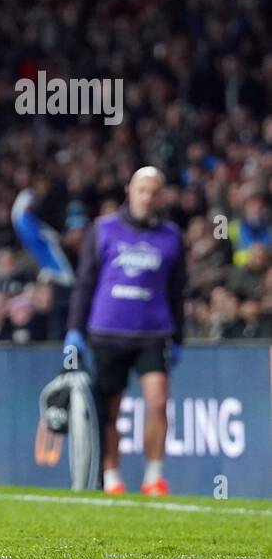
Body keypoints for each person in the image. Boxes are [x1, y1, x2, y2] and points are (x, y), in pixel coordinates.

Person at [65, 167, 185, 496]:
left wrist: (179, 337)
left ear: (161, 196)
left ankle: (154, 477)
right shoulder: (104, 230)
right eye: (142, 190)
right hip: (107, 331)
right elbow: (85, 282)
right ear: (129, 189)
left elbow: (178, 290)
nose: (148, 197)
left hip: (154, 333)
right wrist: (74, 330)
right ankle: (112, 475)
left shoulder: (172, 236)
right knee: (110, 409)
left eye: (154, 191)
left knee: (158, 401)